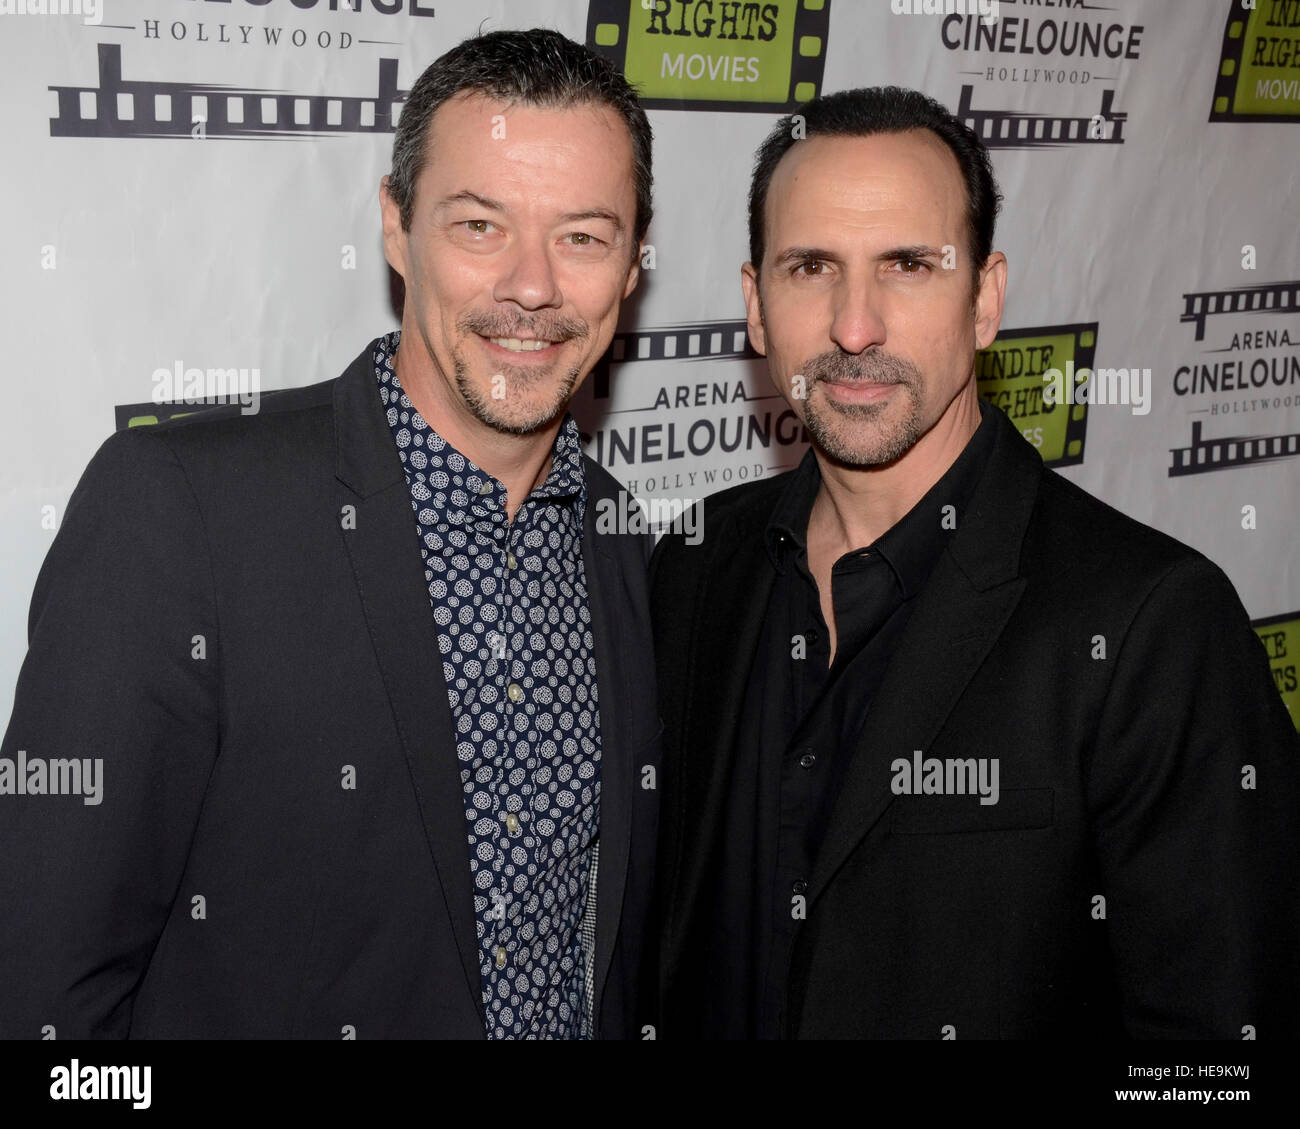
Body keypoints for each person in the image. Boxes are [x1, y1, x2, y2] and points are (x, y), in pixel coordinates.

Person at [0, 28, 661, 1040]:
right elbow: (45, 999)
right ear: (395, 227)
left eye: (582, 236)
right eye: (479, 225)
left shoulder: (619, 536)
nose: (531, 286)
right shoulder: (182, 511)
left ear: (632, 263)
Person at [649, 86, 1300, 1039]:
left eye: (909, 265)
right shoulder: (695, 565)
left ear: (985, 299)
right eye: (811, 267)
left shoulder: (1151, 625)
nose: (855, 327)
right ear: (755, 306)